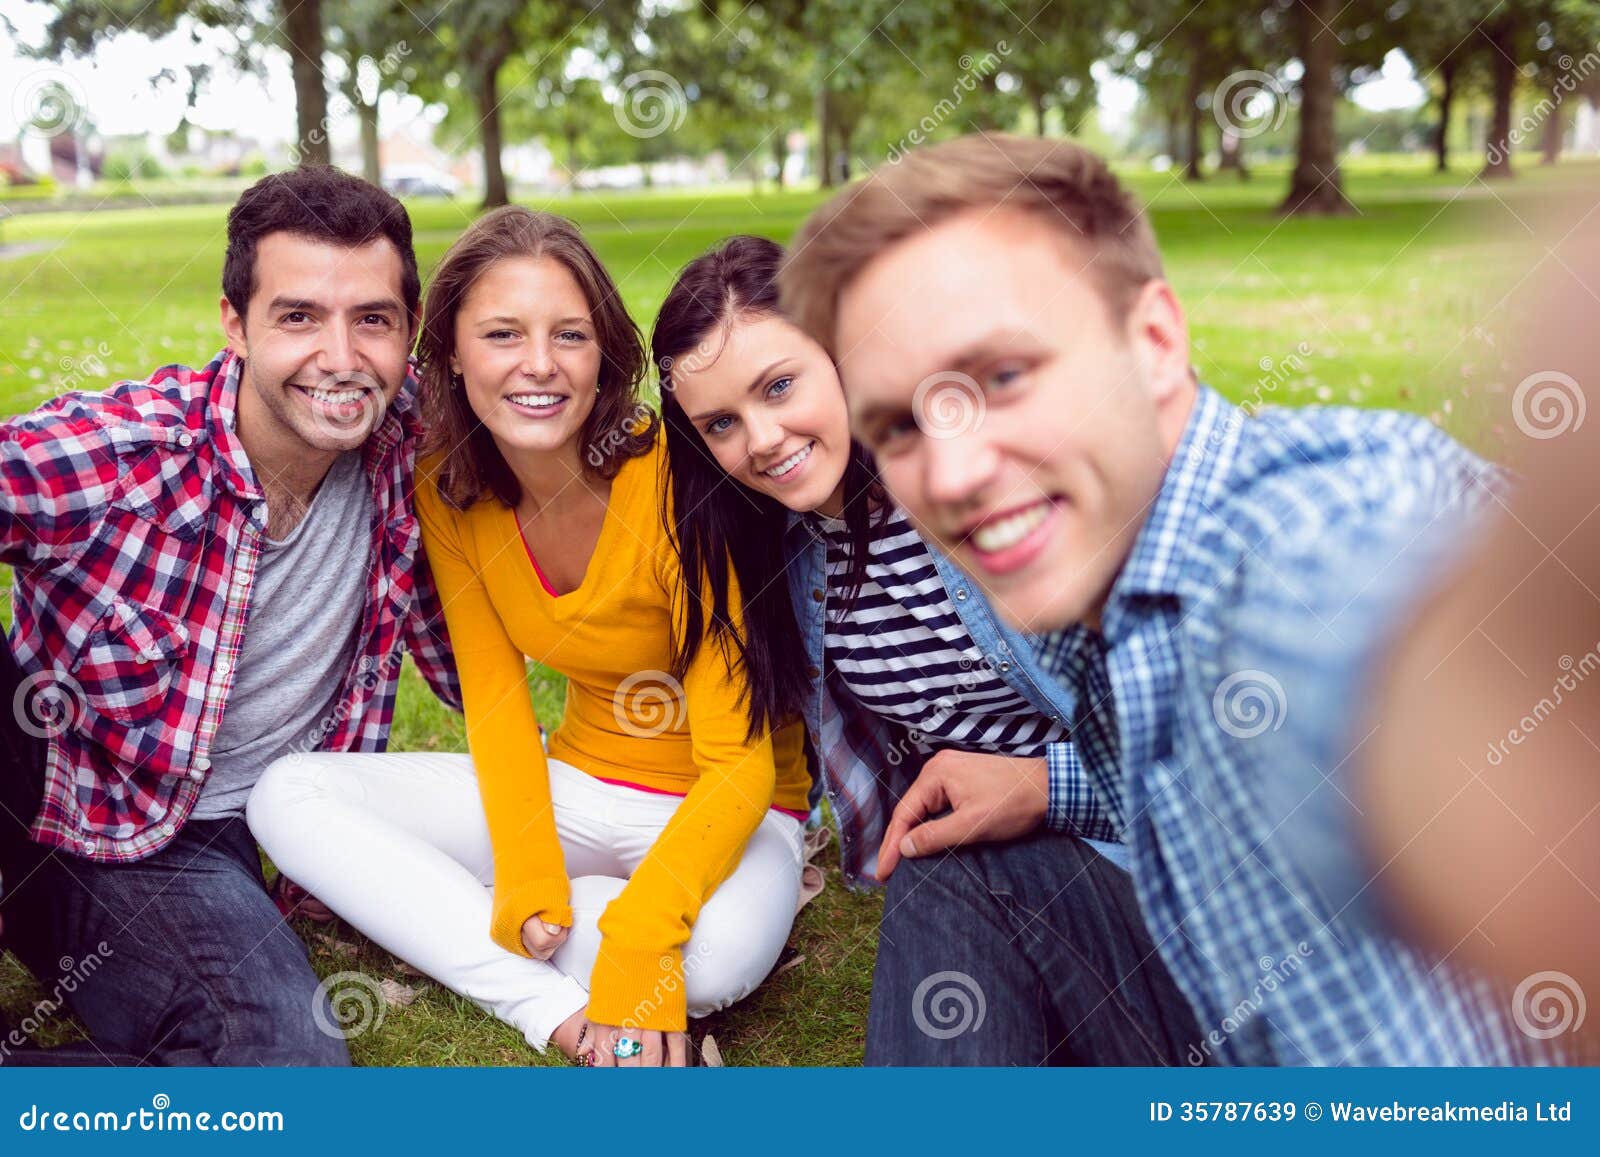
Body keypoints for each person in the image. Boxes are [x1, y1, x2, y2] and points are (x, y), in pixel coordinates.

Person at [780, 131, 1558, 1064]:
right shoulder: (1117, 602)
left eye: (1004, 376)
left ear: (1153, 342)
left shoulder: (1297, 577)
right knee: (958, 869)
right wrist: (1047, 784)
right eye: (900, 425)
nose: (951, 472)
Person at [247, 207, 810, 1068]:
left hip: (732, 810)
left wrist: (642, 932)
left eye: (570, 335)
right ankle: (548, 1003)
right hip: (579, 780)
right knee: (288, 796)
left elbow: (740, 765)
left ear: (605, 357)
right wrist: (529, 866)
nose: (538, 365)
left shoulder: (682, 480)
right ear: (451, 357)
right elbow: (498, 698)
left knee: (704, 966)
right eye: (503, 334)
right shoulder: (447, 484)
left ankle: (470, 909)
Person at [655, 234, 1201, 1064]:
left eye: (780, 385)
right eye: (722, 423)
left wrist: (1040, 788)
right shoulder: (794, 551)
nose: (761, 438)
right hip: (1038, 903)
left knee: (951, 861)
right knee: (942, 861)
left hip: (1205, 898)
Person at [0, 165, 459, 1065]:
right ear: (233, 323)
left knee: (285, 1061)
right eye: (298, 316)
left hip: (207, 851)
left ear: (409, 335)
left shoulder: (414, 443)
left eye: (372, 319)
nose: (340, 356)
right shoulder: (125, 456)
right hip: (64, 798)